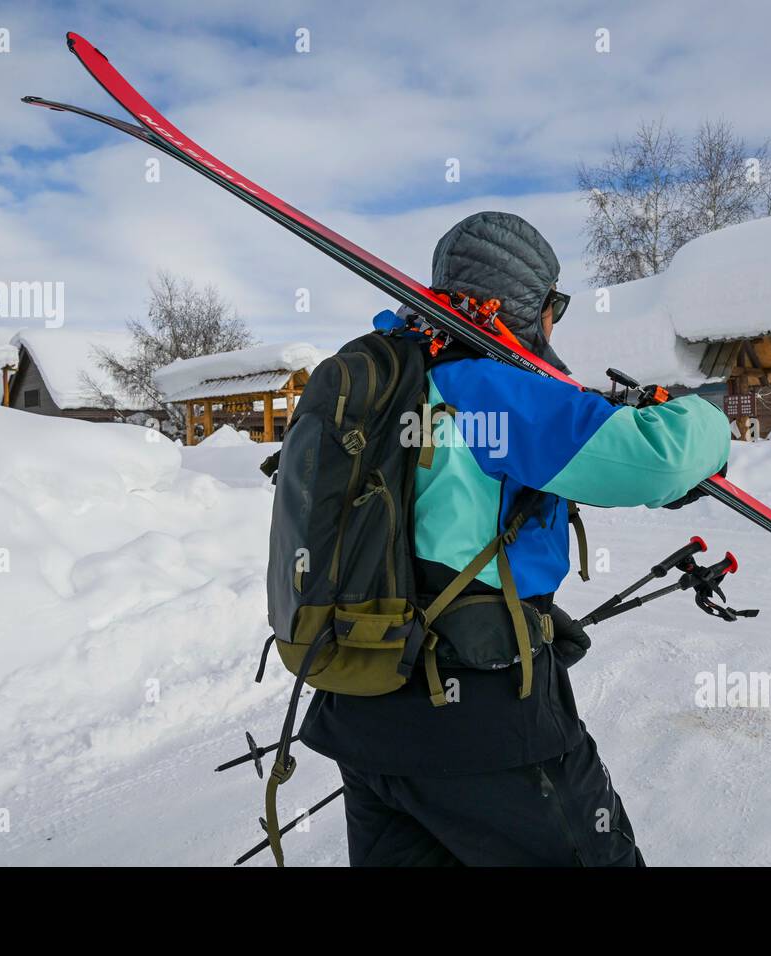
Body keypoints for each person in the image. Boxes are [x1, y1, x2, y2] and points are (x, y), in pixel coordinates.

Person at [298, 210, 730, 866]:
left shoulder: (397, 382)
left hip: (363, 710)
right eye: (553, 303)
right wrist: (707, 415)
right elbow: (660, 456)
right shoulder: (488, 388)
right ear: (520, 302)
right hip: (480, 723)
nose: (555, 320)